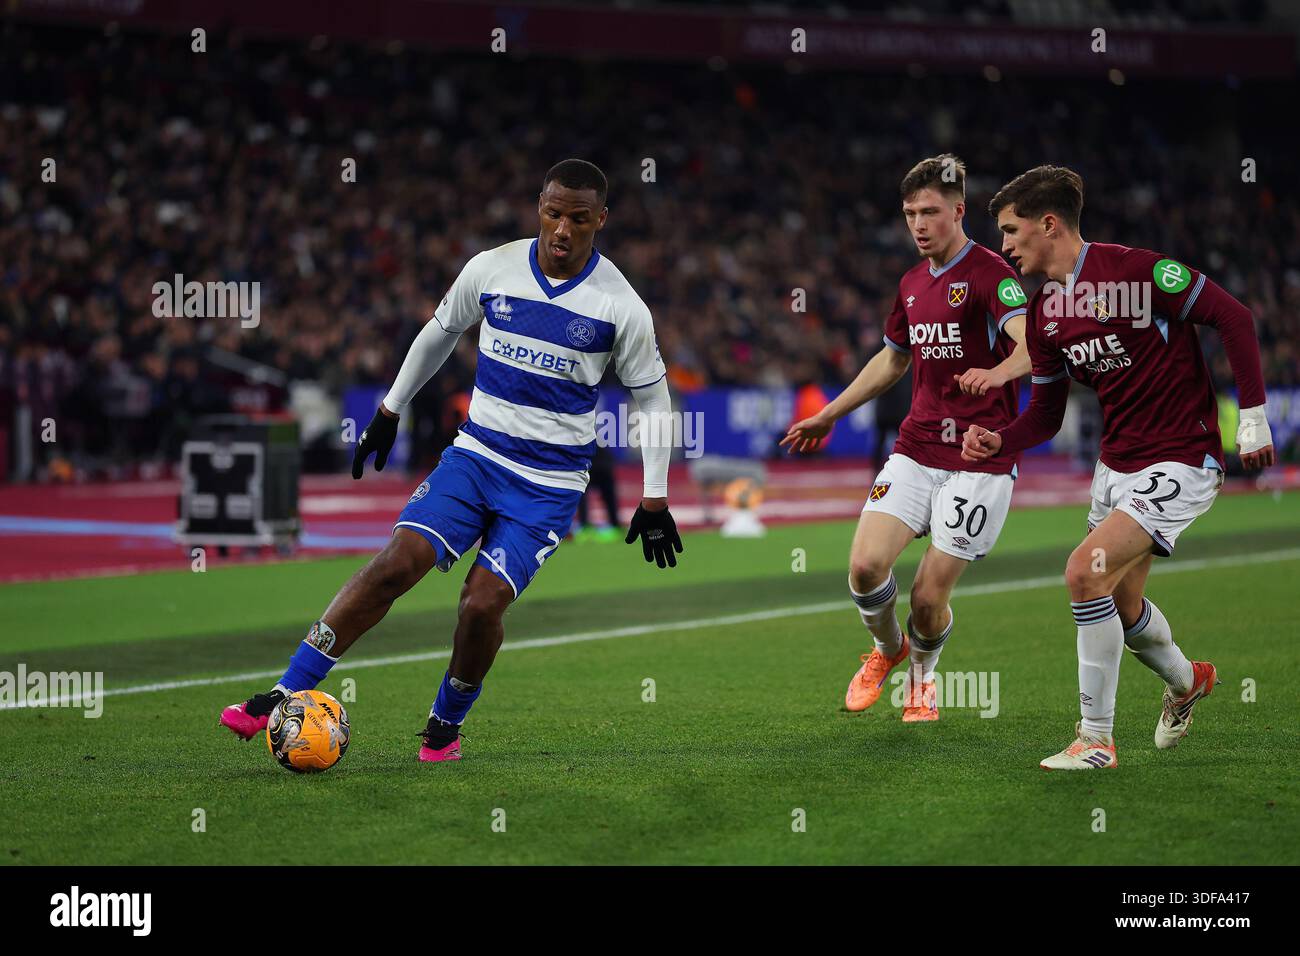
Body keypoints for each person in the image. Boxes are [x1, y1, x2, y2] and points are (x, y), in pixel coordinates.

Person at [219, 159, 683, 762]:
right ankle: (283, 692)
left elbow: (652, 397)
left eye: (577, 218)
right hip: (476, 457)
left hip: (546, 485)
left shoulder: (621, 306)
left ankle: (444, 726)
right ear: (539, 206)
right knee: (395, 563)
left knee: (482, 601)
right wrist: (390, 410)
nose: (561, 229)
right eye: (551, 212)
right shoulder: (493, 268)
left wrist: (654, 497)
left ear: (600, 219)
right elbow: (440, 332)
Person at [962, 165, 1274, 770]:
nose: (1002, 245)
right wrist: (997, 441)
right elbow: (1046, 416)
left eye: (1009, 230)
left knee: (1084, 571)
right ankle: (1189, 681)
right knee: (1123, 606)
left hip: (1182, 455)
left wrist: (1254, 419)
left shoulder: (1135, 272)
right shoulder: (1047, 313)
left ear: (1048, 224)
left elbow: (1233, 317)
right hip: (1116, 468)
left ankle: (1096, 739)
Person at [783, 155, 1031, 721]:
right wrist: (830, 414)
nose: (918, 225)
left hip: (980, 460)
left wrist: (995, 374)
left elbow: (1030, 346)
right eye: (909, 214)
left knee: (925, 597)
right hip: (918, 447)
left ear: (959, 211)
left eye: (930, 212)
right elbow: (894, 360)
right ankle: (886, 651)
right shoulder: (913, 283)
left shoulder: (993, 275)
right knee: (866, 568)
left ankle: (923, 678)